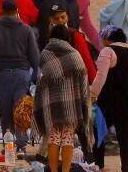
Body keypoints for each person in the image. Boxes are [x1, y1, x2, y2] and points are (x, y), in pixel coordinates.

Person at [0, 0, 40, 152]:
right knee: (20, 110)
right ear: (16, 11)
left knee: (5, 111)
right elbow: (35, 57)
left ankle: (9, 145)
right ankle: (21, 144)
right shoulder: (26, 29)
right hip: (21, 75)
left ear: (1, 11)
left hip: (1, 75)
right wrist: (36, 77)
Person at [90, 27, 128, 172]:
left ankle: (99, 166)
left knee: (99, 135)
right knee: (124, 139)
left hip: (108, 102)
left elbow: (100, 77)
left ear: (108, 38)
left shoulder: (107, 51)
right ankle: (126, 170)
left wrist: (92, 95)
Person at [35, 27, 91, 172]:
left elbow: (40, 83)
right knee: (67, 139)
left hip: (51, 106)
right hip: (72, 106)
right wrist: (84, 102)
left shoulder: (45, 55)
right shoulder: (75, 55)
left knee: (53, 138)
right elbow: (84, 80)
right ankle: (65, 171)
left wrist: (40, 103)